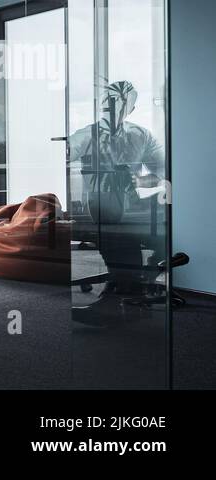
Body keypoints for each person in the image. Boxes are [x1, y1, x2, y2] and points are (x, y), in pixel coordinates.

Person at [67, 81, 166, 326]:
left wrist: (142, 180)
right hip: (104, 205)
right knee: (117, 227)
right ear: (101, 105)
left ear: (130, 109)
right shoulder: (87, 134)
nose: (113, 107)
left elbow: (163, 171)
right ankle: (124, 293)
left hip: (137, 206)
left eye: (122, 103)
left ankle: (131, 288)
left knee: (158, 229)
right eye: (109, 102)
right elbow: (65, 152)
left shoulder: (140, 135)